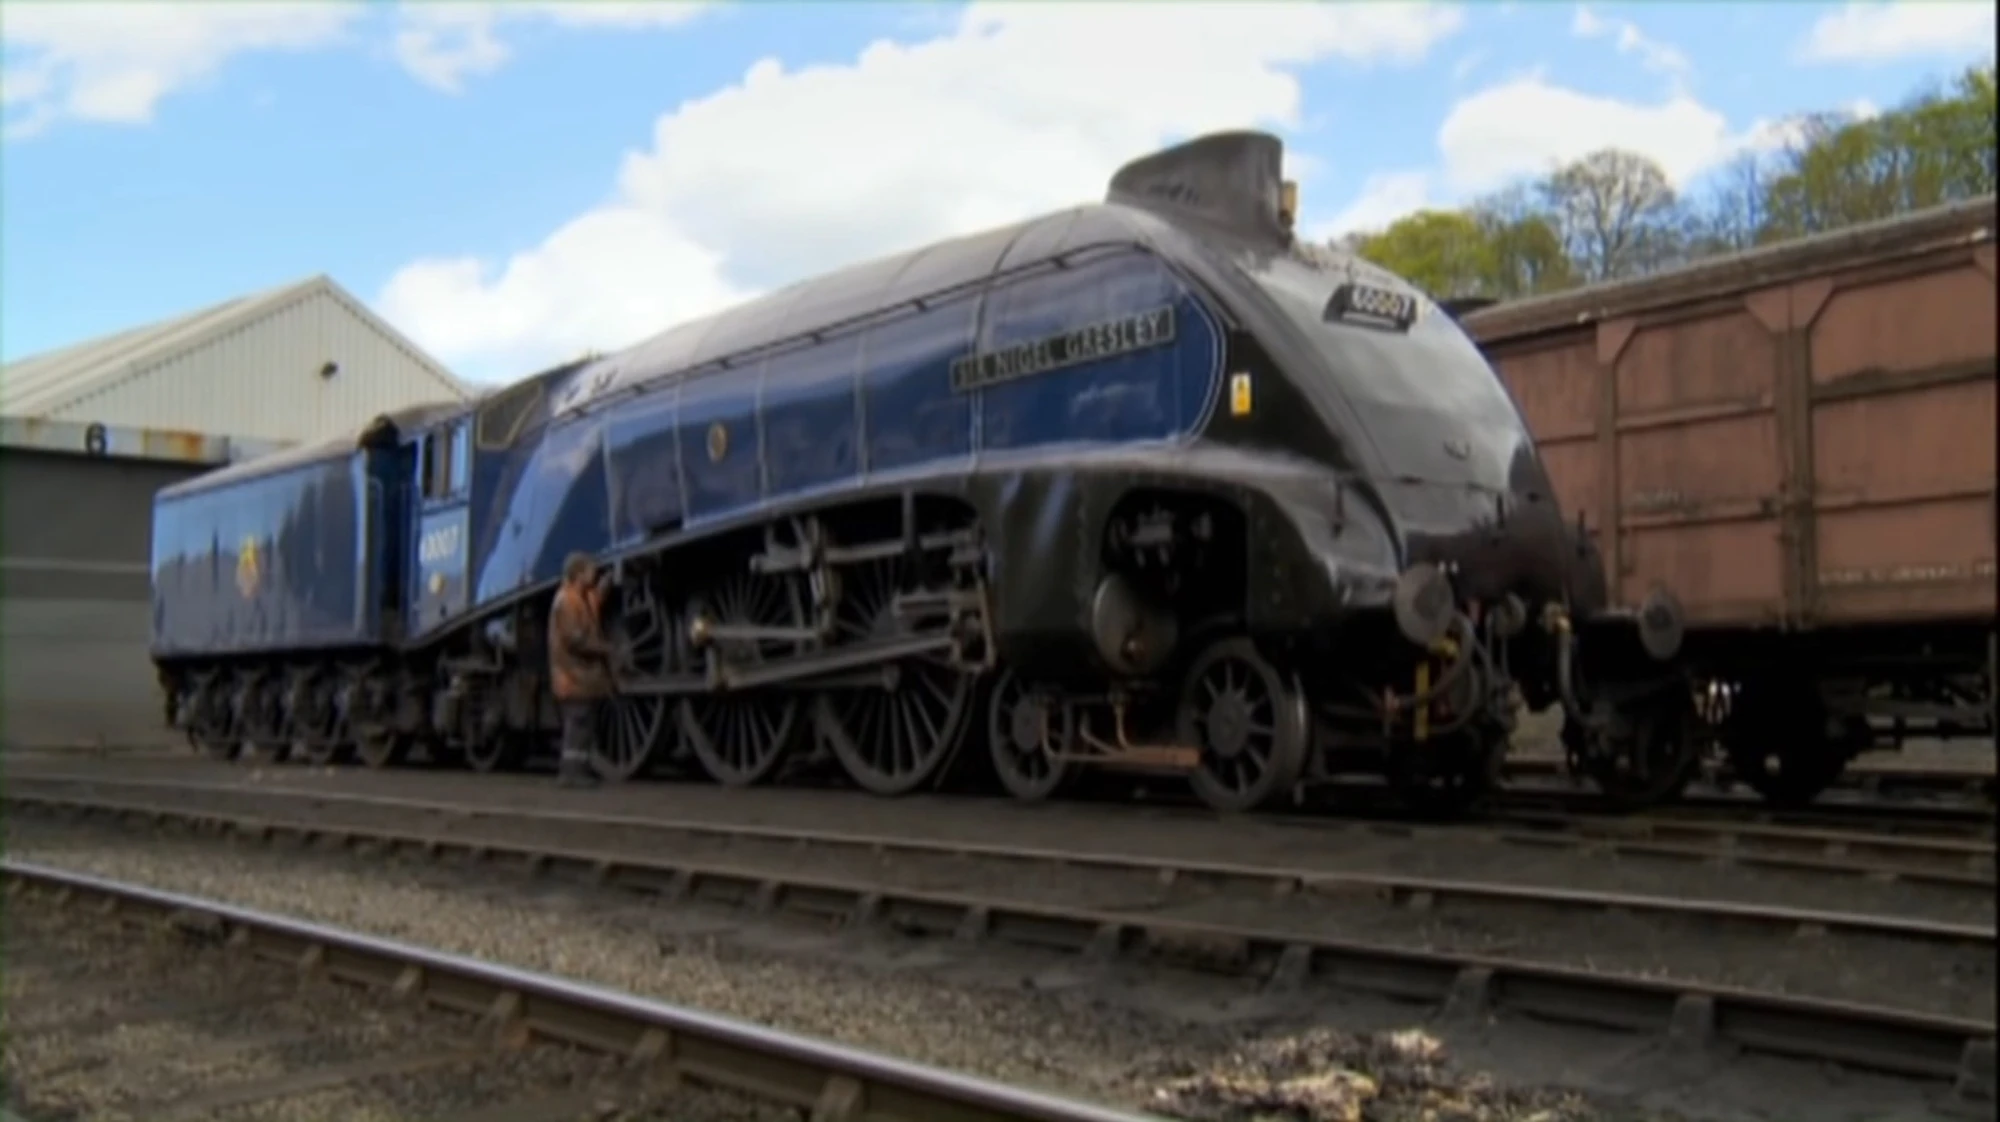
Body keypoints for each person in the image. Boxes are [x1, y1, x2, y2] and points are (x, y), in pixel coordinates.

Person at [549, 551, 614, 788]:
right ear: (578, 574)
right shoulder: (565, 601)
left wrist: (608, 582)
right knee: (577, 725)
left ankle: (580, 770)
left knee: (584, 725)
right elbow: (575, 640)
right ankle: (570, 773)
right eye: (590, 571)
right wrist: (604, 649)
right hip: (571, 676)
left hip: (582, 677)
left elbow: (595, 600)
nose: (594, 574)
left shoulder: (581, 597)